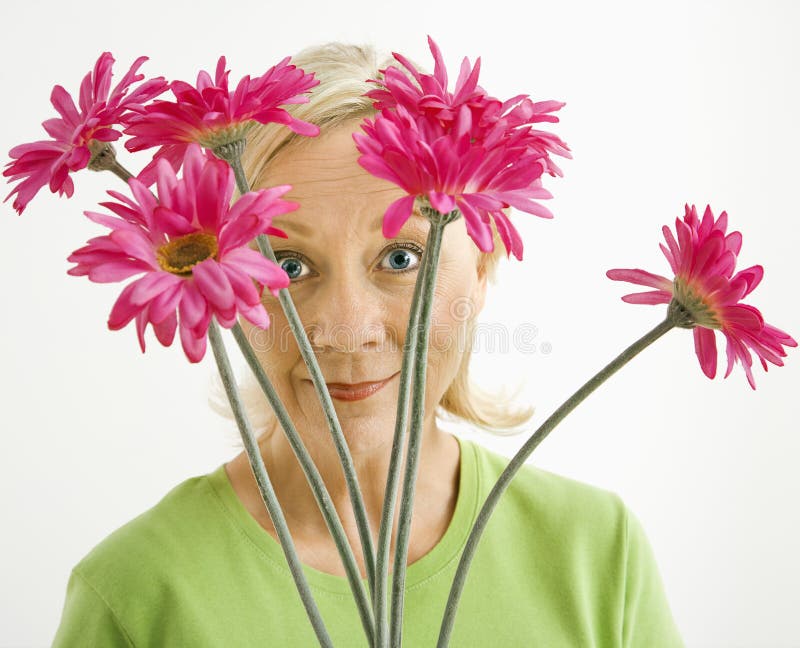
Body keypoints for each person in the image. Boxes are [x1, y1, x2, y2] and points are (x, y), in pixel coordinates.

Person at [51, 42, 684, 647]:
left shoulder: (599, 553)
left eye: (402, 256)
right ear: (221, 286)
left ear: (484, 267)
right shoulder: (134, 593)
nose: (347, 330)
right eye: (289, 265)